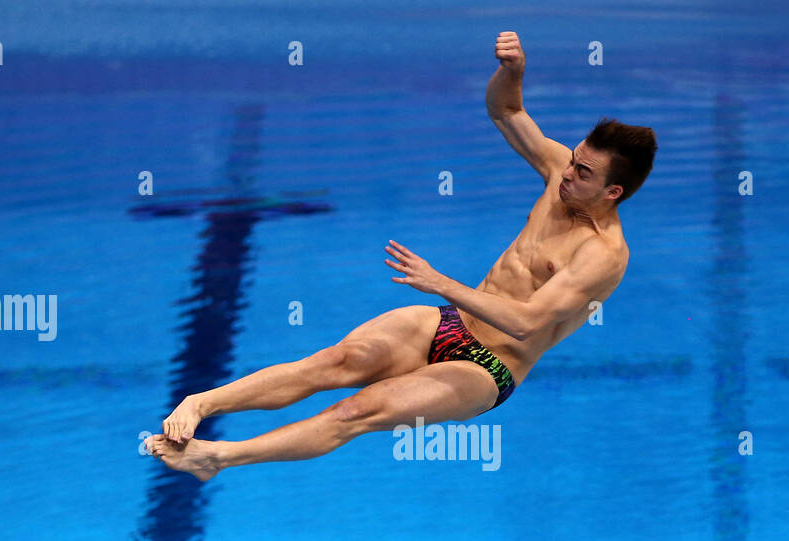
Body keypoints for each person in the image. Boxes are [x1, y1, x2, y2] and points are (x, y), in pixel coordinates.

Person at [146, 30, 656, 480]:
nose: (568, 172)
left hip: (488, 368)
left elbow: (526, 322)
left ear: (613, 193)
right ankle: (200, 402)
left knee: (354, 412)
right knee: (333, 362)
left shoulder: (602, 255)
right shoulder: (560, 171)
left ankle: (218, 458)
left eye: (584, 173)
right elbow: (507, 111)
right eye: (576, 160)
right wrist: (513, 72)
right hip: (449, 321)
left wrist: (440, 283)